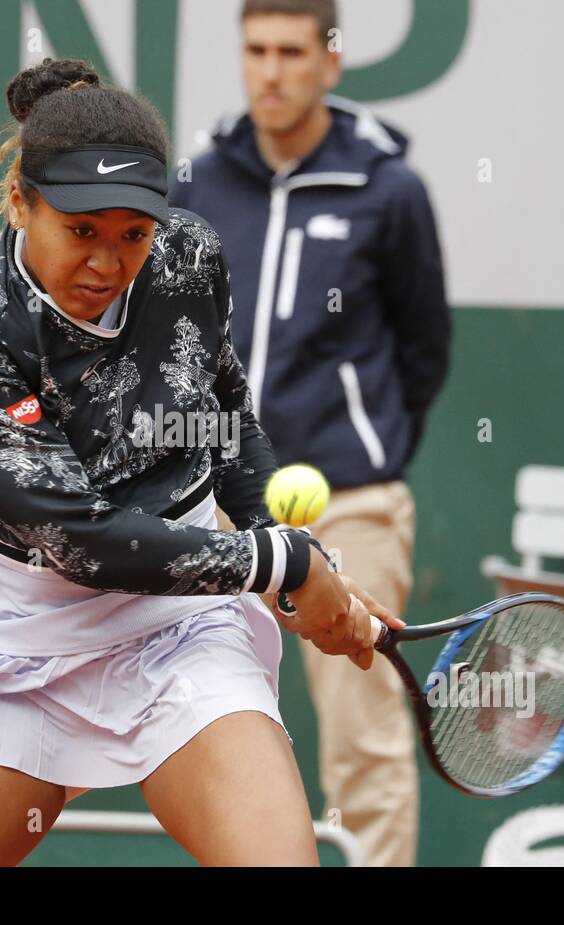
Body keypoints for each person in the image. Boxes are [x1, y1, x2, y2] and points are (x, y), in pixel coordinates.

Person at [0, 57, 405, 867]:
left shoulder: (187, 259)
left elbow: (224, 418)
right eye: (82, 231)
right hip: (26, 651)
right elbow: (79, 542)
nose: (107, 262)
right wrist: (283, 561)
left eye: (133, 234)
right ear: (22, 203)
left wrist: (289, 558)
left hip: (183, 637)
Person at [168, 0, 452, 866]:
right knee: (196, 731)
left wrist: (358, 451)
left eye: (292, 51)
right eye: (255, 50)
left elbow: (422, 348)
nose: (271, 70)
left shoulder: (388, 190)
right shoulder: (198, 182)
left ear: (331, 62)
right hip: (216, 511)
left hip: (348, 503)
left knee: (363, 751)